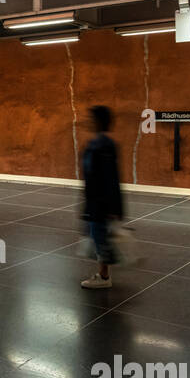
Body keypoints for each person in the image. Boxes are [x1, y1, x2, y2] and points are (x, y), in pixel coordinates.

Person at [80, 104, 124, 288]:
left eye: (91, 119)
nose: (88, 122)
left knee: (100, 238)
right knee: (97, 236)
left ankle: (104, 277)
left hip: (101, 203)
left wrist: (113, 208)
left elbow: (110, 178)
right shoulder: (97, 144)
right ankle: (103, 273)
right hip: (95, 201)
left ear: (99, 121)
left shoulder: (104, 146)